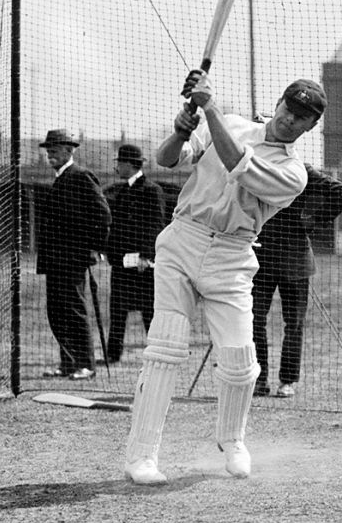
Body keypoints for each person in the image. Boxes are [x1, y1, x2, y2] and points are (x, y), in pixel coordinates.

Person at [123, 73, 325, 485]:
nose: (290, 119)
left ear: (309, 127)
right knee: (165, 349)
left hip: (233, 255)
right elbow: (167, 159)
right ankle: (141, 455)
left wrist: (209, 105)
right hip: (183, 237)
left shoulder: (293, 173)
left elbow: (239, 165)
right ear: (280, 102)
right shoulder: (232, 123)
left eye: (301, 117)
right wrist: (181, 132)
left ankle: (232, 439)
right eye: (289, 108)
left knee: (239, 361)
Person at [252, 163, 342, 398]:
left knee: (294, 324)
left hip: (295, 261)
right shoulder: (257, 166)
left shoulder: (301, 169)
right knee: (253, 321)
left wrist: (314, 219)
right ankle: (258, 378)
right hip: (259, 260)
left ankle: (288, 381)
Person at [36, 129, 110, 381]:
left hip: (73, 259)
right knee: (57, 312)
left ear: (69, 151)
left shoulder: (81, 177)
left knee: (74, 310)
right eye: (49, 151)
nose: (50, 155)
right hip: (55, 260)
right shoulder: (60, 178)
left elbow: (103, 216)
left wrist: (95, 248)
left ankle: (86, 364)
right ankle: (67, 363)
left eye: (55, 150)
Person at [102, 143, 168, 365]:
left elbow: (155, 225)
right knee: (118, 309)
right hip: (121, 260)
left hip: (142, 263)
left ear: (129, 164)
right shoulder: (121, 190)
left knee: (148, 309)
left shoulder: (152, 190)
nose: (117, 167)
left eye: (119, 163)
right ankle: (113, 353)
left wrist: (146, 255)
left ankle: (156, 352)